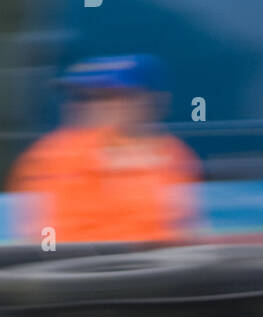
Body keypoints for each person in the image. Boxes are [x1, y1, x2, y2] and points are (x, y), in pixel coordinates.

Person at [6, 55, 200, 244]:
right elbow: (44, 238)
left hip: (151, 267)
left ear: (147, 102)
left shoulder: (174, 155)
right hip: (76, 268)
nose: (91, 106)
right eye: (82, 97)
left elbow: (178, 231)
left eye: (108, 96)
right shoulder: (52, 155)